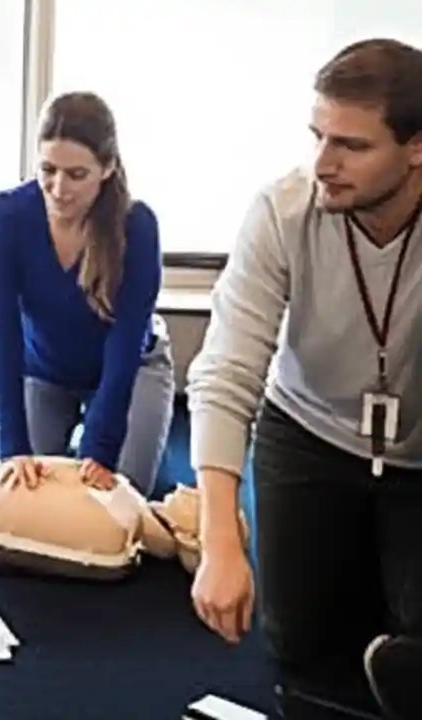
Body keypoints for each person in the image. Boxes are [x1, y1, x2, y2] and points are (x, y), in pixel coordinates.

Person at [186, 38, 422, 719]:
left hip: (417, 456)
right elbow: (227, 369)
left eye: (351, 144)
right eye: (317, 135)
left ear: (415, 148)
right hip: (306, 428)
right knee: (300, 647)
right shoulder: (282, 210)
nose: (323, 163)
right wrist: (221, 543)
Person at [0, 91, 174, 498]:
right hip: (46, 371)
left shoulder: (137, 225)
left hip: (132, 367)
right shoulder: (3, 218)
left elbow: (127, 339)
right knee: (23, 489)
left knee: (120, 493)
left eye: (77, 174)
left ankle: (138, 431)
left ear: (107, 167)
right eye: (47, 170)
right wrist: (13, 445)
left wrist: (101, 445)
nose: (59, 188)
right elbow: (3, 335)